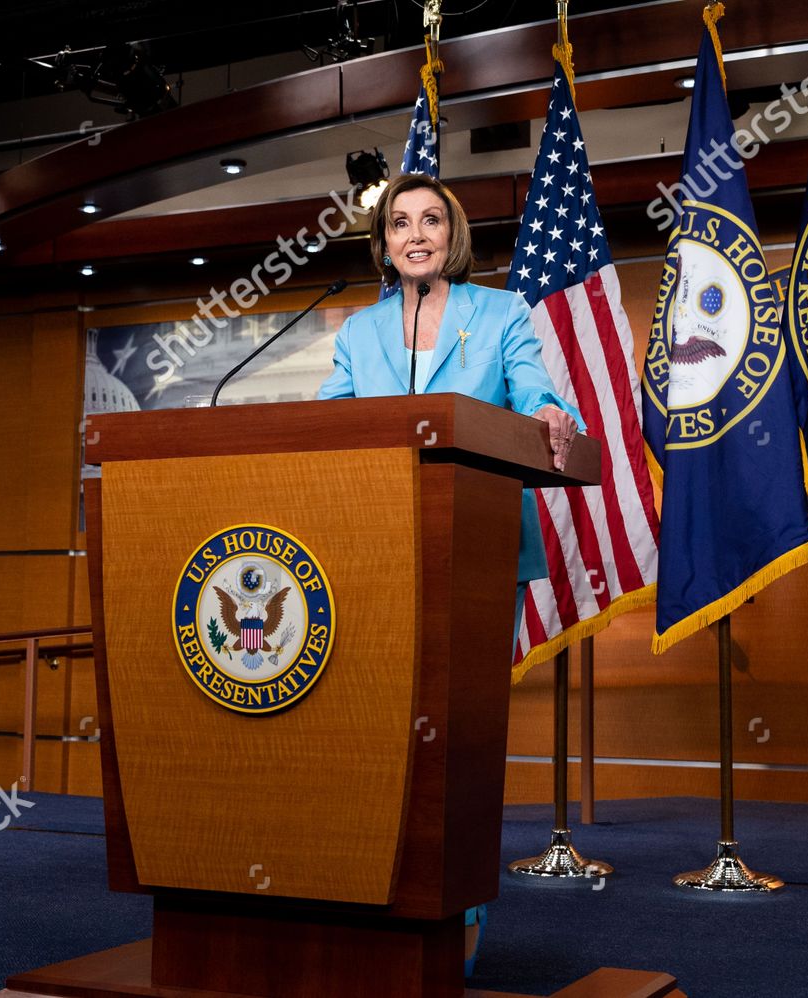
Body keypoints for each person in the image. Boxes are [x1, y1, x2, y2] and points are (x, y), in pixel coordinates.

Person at [316, 172, 583, 976]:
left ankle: (459, 917)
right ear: (384, 242)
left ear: (452, 233)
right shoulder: (359, 332)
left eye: (431, 219)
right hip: (377, 557)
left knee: (456, 741)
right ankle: (378, 899)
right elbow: (330, 422)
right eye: (401, 222)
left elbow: (532, 392)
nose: (416, 233)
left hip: (474, 552)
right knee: (382, 736)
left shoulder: (500, 314)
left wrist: (545, 411)